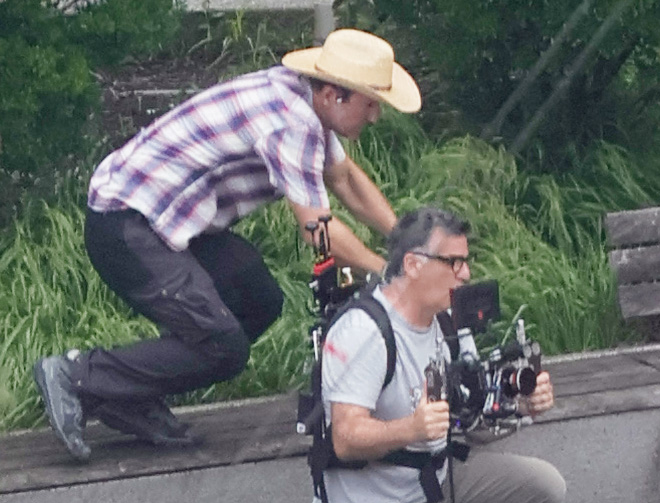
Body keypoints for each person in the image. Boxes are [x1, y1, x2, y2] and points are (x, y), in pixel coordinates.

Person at [33, 29, 421, 461]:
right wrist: (392, 274)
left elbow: (345, 180)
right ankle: (75, 374)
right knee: (223, 346)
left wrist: (408, 243)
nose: (375, 117)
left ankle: (128, 394)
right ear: (334, 95)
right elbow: (318, 232)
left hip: (172, 218)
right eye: (370, 104)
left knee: (257, 298)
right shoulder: (292, 123)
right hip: (127, 225)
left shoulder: (305, 99)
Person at [316, 206, 566, 503]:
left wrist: (520, 406)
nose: (465, 274)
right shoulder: (363, 332)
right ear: (414, 264)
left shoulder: (446, 322)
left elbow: (465, 424)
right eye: (454, 262)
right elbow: (345, 439)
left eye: (465, 262)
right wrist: (410, 428)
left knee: (543, 487)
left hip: (434, 480)